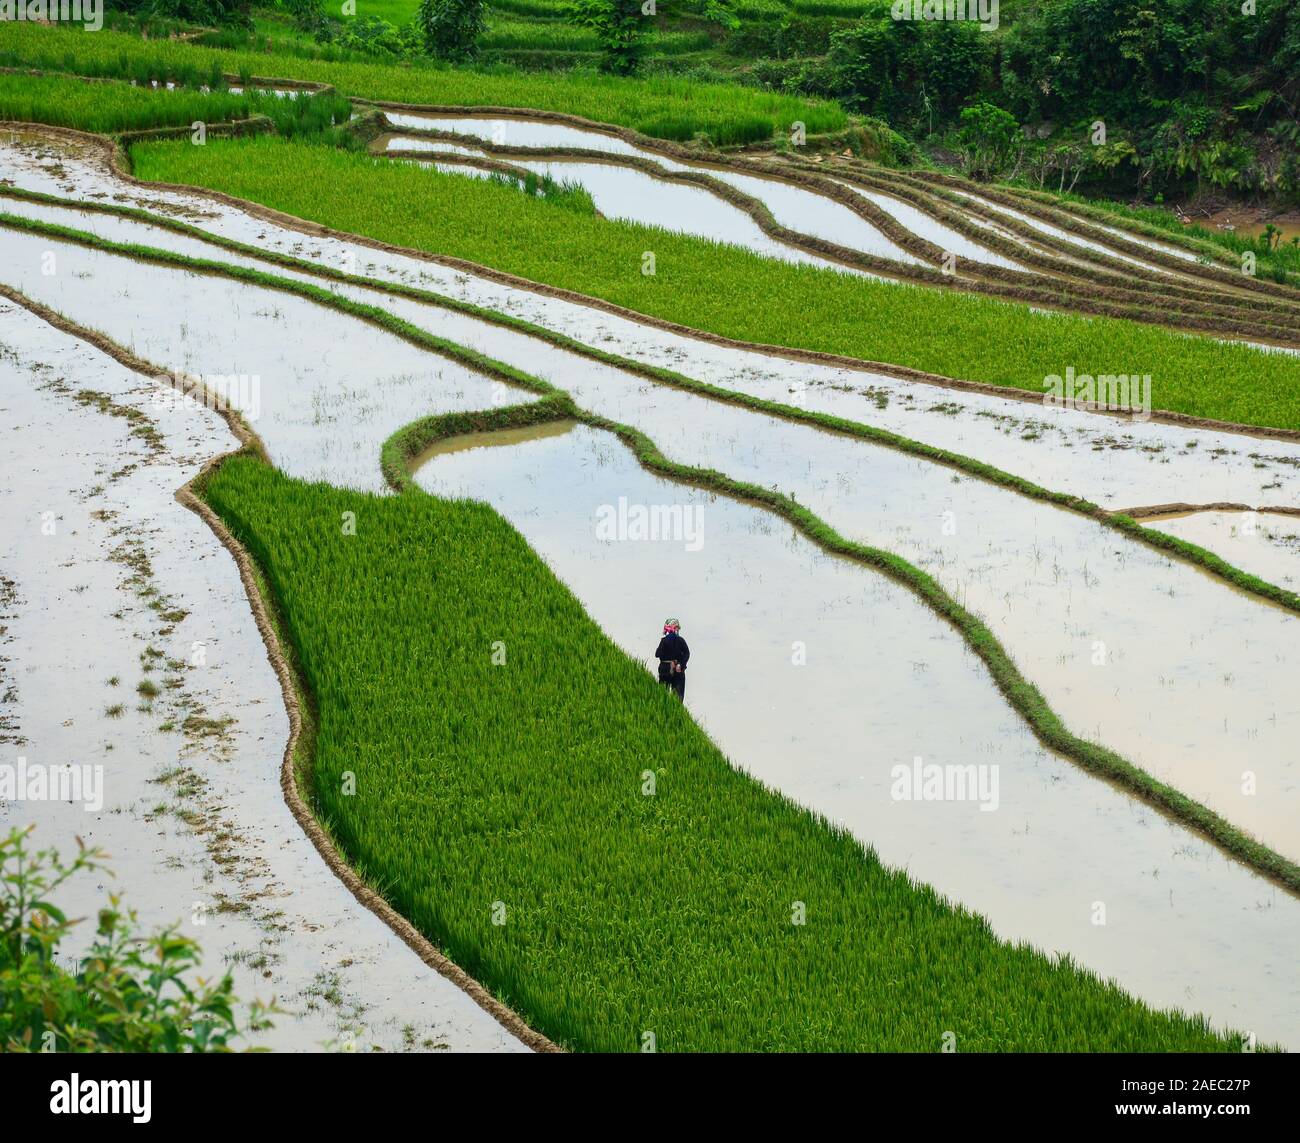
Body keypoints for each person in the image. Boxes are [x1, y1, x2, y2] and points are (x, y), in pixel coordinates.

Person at [655, 618, 689, 701]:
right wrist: (680, 664)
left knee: (662, 695)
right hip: (678, 670)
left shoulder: (663, 641)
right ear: (675, 628)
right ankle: (675, 711)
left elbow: (657, 654)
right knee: (677, 697)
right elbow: (687, 653)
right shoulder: (680, 641)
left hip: (665, 669)